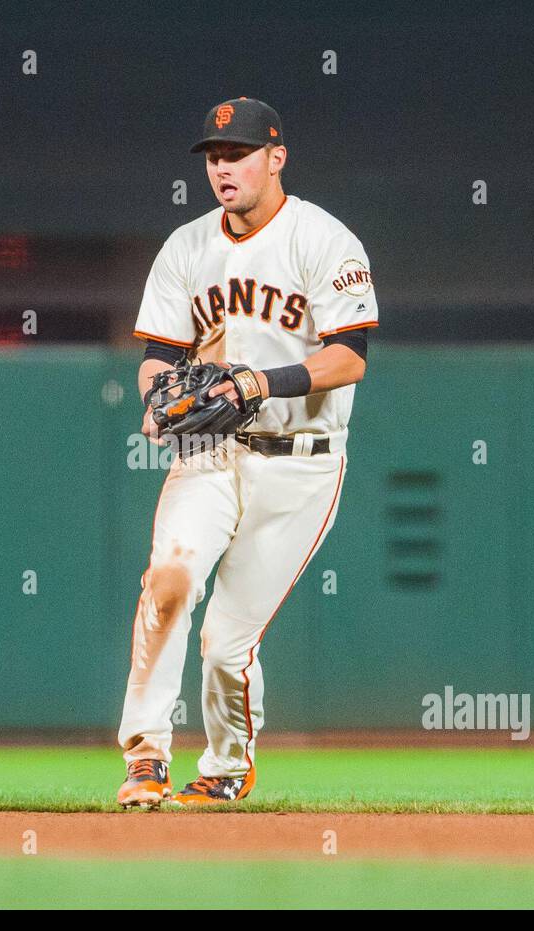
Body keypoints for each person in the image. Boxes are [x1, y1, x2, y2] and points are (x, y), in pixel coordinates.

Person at [116, 97, 377, 807]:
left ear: (276, 158)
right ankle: (145, 755)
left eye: (237, 154)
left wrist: (262, 380)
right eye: (213, 157)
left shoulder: (324, 240)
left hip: (302, 460)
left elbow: (349, 356)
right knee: (167, 582)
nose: (223, 168)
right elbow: (156, 357)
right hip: (209, 451)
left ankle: (228, 766)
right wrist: (156, 397)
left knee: (227, 644)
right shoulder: (186, 247)